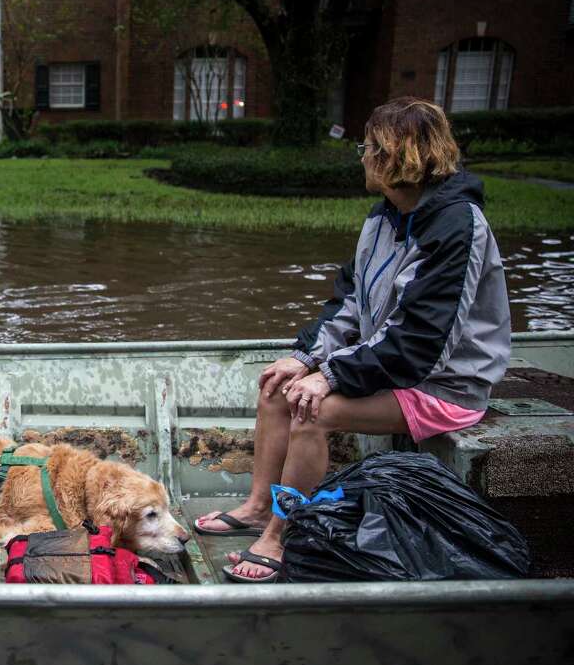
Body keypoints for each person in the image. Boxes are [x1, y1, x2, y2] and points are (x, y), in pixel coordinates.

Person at [193, 96, 510, 583]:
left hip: (443, 385)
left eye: (367, 146)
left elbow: (422, 343)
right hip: (392, 368)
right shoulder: (382, 216)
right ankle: (259, 506)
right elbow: (351, 302)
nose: (361, 155)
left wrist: (332, 376)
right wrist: (306, 357)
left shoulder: (458, 225)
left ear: (391, 154)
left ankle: (280, 534)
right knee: (278, 386)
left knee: (313, 410)